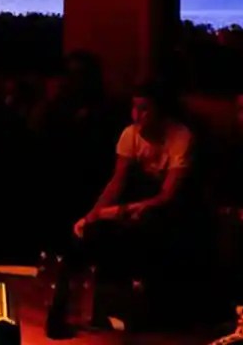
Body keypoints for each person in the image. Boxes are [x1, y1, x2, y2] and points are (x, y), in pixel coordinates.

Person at [46, 80, 196, 338]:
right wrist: (93, 215)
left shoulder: (180, 137)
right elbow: (117, 182)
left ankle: (140, 314)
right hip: (133, 202)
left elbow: (168, 195)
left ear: (160, 110)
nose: (137, 115)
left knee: (147, 225)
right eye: (134, 108)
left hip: (167, 209)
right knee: (83, 235)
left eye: (145, 108)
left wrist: (120, 211)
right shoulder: (130, 134)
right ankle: (63, 313)